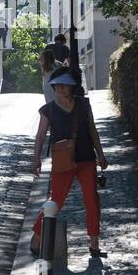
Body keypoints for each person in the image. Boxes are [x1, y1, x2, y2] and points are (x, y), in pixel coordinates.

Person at [31, 68, 108, 258]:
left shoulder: (83, 105)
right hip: (62, 161)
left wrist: (101, 154)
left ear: (71, 87)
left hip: (86, 158)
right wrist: (36, 158)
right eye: (57, 85)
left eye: (64, 85)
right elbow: (40, 136)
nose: (60, 88)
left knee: (91, 199)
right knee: (56, 201)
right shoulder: (48, 110)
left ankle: (94, 243)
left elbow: (92, 130)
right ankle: (38, 234)